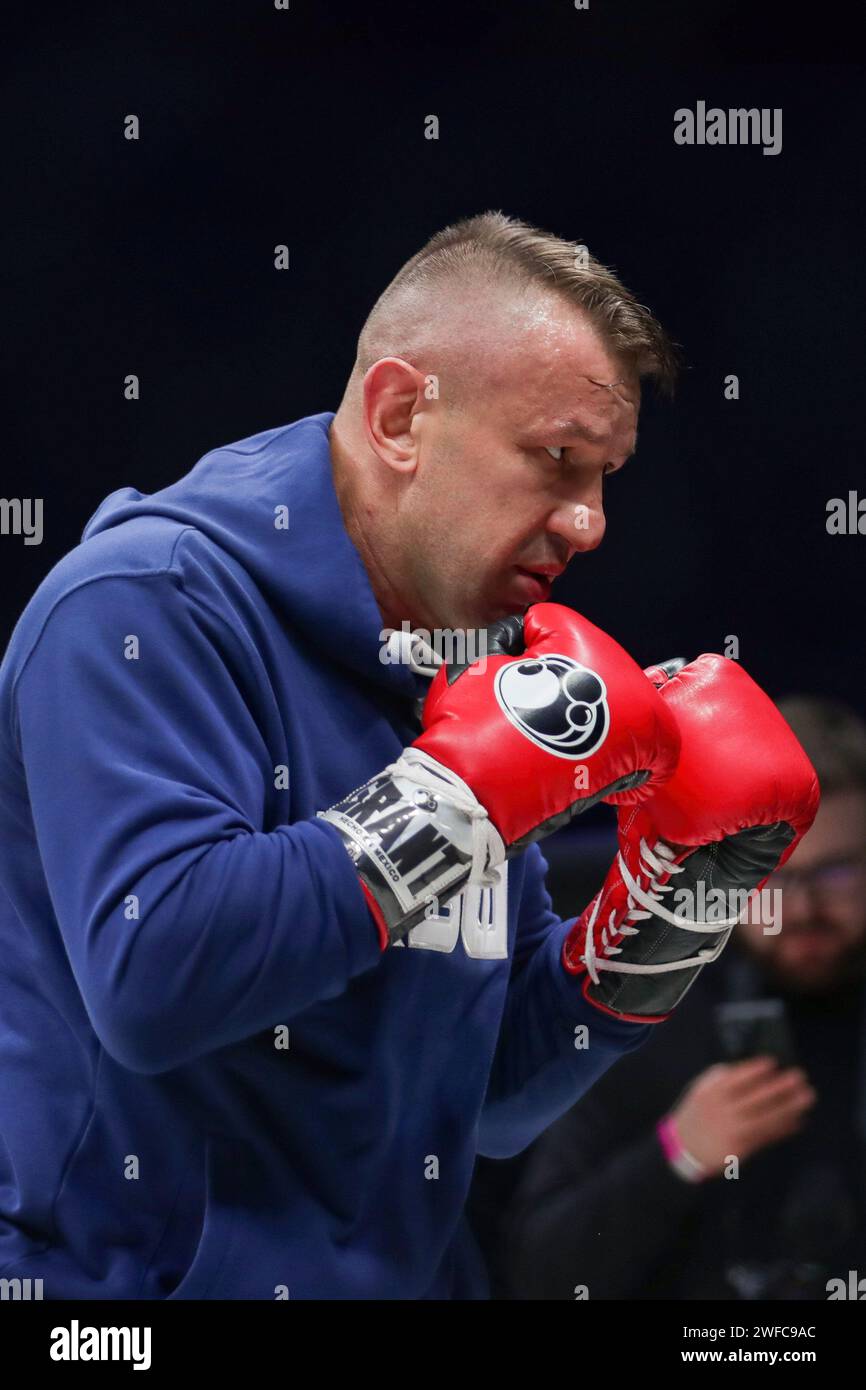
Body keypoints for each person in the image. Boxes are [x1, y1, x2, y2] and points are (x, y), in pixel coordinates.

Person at [0, 212, 816, 1300]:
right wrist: (459, 798)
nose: (590, 521)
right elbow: (159, 981)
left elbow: (485, 1103)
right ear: (397, 416)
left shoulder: (472, 658)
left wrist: (662, 920)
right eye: (558, 460)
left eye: (608, 474)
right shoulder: (140, 608)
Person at [490, 695, 866, 1301]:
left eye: (838, 874)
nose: (801, 910)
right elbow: (544, 1276)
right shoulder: (642, 1013)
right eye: (774, 877)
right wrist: (678, 1152)